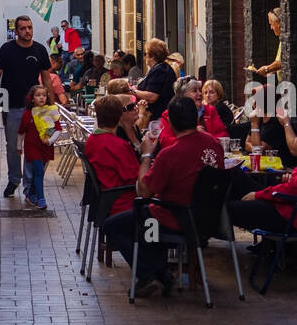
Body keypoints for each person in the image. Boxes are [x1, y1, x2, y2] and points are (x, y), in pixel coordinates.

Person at [103, 95, 225, 297]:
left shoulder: (170, 154)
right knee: (145, 219)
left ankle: (150, 272)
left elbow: (144, 191)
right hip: (208, 219)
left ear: (172, 124)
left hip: (172, 219)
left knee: (118, 224)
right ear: (196, 119)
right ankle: (159, 272)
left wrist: (147, 155)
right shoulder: (213, 144)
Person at [0, 14, 53, 197]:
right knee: (13, 145)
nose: (27, 31)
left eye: (29, 27)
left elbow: (46, 78)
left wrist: (51, 104)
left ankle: (29, 184)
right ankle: (14, 179)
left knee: (36, 145)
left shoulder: (39, 50)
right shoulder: (6, 49)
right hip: (10, 102)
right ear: (16, 31)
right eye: (23, 28)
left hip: (36, 106)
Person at [84, 96, 143, 216]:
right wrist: (147, 156)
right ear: (119, 116)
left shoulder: (91, 140)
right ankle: (151, 235)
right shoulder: (119, 145)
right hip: (122, 200)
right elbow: (137, 179)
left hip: (105, 198)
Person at [18, 83, 59, 211]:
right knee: (39, 171)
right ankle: (41, 199)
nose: (41, 98)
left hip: (46, 147)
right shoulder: (27, 114)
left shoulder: (51, 112)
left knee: (38, 172)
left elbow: (57, 129)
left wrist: (50, 140)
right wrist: (19, 146)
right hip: (32, 147)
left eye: (44, 95)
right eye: (38, 95)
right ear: (32, 98)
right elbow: (21, 132)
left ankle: (31, 194)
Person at [132, 38, 177, 122]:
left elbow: (152, 96)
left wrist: (134, 91)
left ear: (152, 56)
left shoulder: (159, 70)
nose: (144, 57)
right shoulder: (160, 68)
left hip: (157, 116)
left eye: (146, 54)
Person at [251, 8, 282, 80]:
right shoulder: (281, 40)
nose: (271, 28)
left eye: (271, 24)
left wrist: (266, 69)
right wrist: (270, 71)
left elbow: (280, 63)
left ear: (278, 23)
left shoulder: (285, 41)